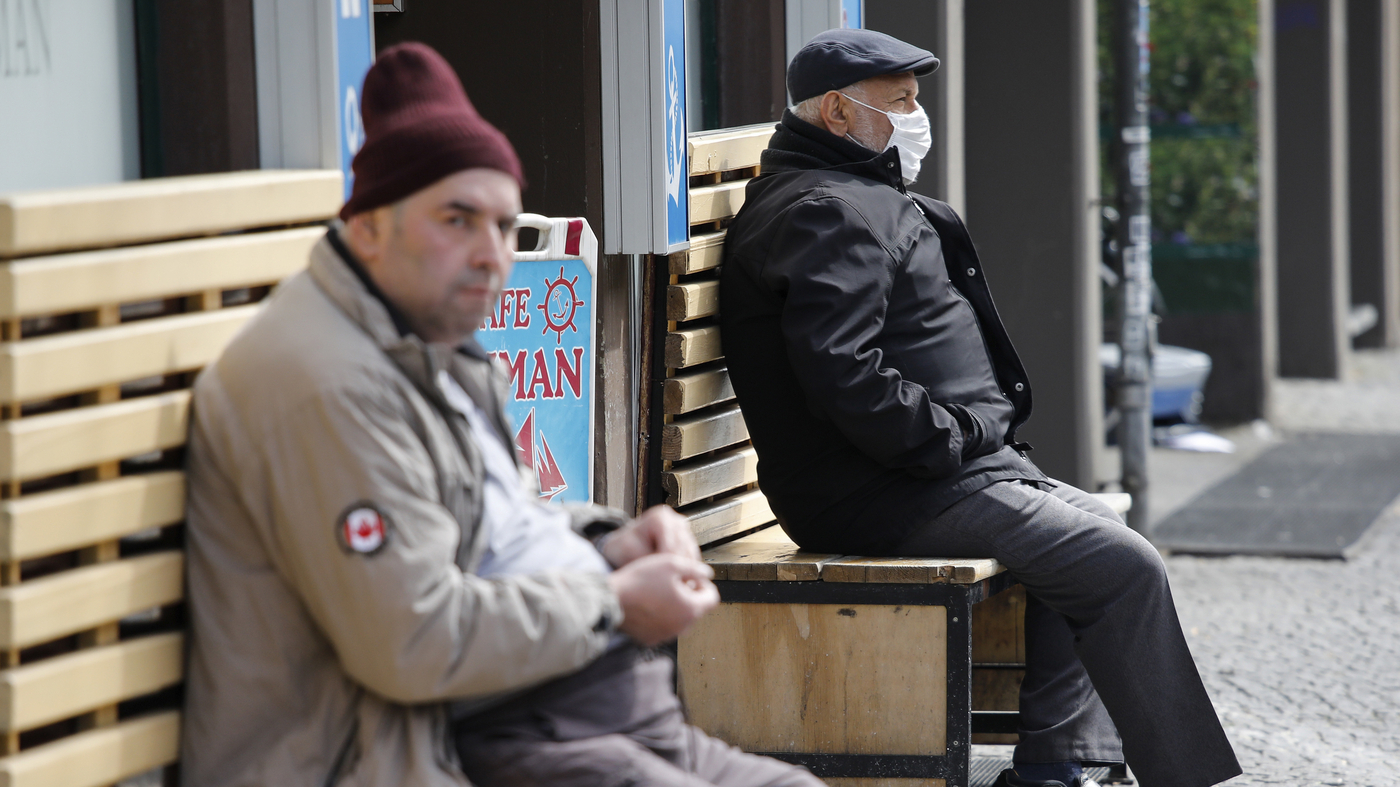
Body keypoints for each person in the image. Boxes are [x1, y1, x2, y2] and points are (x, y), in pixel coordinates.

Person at [182, 42, 822, 787]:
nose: (492, 255)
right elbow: (413, 637)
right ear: (367, 230)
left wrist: (609, 542)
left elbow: (498, 520)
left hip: (583, 706)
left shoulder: (427, 340)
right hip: (437, 744)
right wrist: (610, 601)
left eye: (504, 226)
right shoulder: (325, 387)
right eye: (457, 220)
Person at [718, 29, 1241, 787]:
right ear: (836, 112)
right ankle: (1183, 778)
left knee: (1099, 529)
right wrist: (952, 437)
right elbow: (841, 372)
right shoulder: (826, 210)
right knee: (1121, 566)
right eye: (899, 101)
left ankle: (1065, 766)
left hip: (924, 472)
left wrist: (961, 444)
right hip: (887, 488)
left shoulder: (848, 195)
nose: (914, 115)